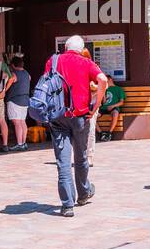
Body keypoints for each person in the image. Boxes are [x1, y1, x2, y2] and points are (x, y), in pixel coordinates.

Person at [44, 35, 106, 217]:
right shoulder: (85, 62)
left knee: (63, 162)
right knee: (81, 157)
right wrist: (96, 106)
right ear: (81, 49)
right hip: (80, 116)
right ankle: (84, 192)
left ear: (65, 47)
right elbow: (102, 79)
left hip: (57, 116)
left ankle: (67, 204)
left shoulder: (53, 61)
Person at [5, 55, 32, 151]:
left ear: (13, 65)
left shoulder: (14, 74)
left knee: (17, 122)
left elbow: (10, 81)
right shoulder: (27, 73)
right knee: (22, 121)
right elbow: (29, 79)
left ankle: (19, 143)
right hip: (25, 100)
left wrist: (3, 91)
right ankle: (23, 143)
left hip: (14, 100)